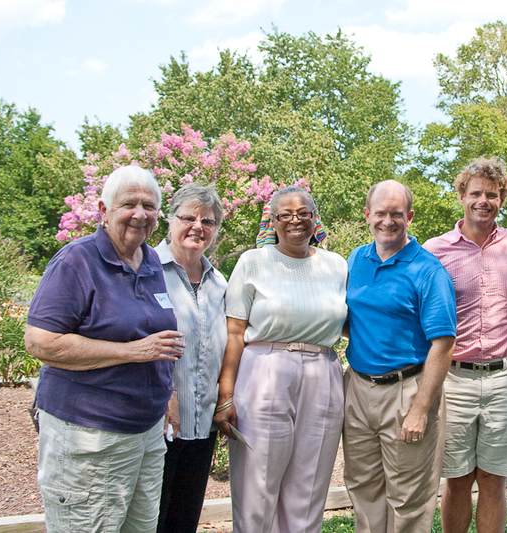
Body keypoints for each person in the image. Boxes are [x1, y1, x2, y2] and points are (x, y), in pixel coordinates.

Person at [24, 165, 185, 533]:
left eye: (149, 205)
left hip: (145, 435)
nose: (140, 214)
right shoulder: (76, 261)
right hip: (90, 436)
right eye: (129, 204)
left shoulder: (151, 264)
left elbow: (156, 338)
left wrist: (167, 393)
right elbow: (41, 342)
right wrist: (130, 352)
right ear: (103, 210)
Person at [213, 186, 347, 533]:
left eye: (303, 212)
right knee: (258, 484)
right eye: (285, 214)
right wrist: (225, 394)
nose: (295, 220)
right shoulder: (253, 262)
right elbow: (234, 333)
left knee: (310, 484)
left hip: (323, 373)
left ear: (315, 218)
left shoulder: (335, 266)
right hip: (264, 371)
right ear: (272, 221)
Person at [423, 158, 507, 533]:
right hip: (454, 379)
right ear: (461, 196)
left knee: (493, 479)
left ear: (501, 198)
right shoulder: (435, 250)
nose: (483, 200)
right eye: (475, 193)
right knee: (455, 479)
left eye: (492, 194)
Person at [343, 180, 457, 533]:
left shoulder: (428, 271)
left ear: (409, 216)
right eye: (380, 213)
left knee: (408, 499)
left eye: (396, 214)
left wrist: (421, 408)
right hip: (359, 387)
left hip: (408, 390)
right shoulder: (355, 259)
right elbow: (353, 321)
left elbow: (443, 343)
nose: (388, 221)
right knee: (364, 490)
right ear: (367, 215)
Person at [154, 184, 228, 533]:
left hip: (203, 424)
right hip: (158, 422)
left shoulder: (220, 284)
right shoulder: (146, 271)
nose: (198, 226)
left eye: (208, 221)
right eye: (188, 217)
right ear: (170, 221)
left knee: (183, 519)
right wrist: (166, 393)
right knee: (149, 516)